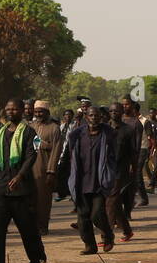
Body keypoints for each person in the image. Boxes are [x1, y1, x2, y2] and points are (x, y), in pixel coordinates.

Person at [0, 99, 47, 263]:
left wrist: (20, 176)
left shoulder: (30, 132)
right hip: (1, 190)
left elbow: (32, 156)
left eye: (15, 109)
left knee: (28, 230)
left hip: (22, 191)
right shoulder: (0, 132)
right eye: (8, 109)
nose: (11, 112)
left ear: (22, 111)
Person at [66, 104, 117, 254]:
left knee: (96, 214)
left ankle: (108, 235)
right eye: (91, 115)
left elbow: (114, 156)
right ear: (86, 117)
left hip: (99, 182)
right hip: (81, 182)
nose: (94, 118)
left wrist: (110, 175)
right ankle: (90, 245)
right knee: (82, 217)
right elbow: (70, 156)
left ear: (101, 117)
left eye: (96, 116)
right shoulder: (76, 135)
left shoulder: (108, 134)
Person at [30, 100, 62, 234]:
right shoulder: (30, 126)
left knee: (43, 200)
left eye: (41, 111)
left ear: (47, 112)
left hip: (44, 168)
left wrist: (51, 171)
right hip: (29, 168)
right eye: (36, 112)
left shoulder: (54, 128)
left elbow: (56, 150)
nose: (38, 114)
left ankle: (43, 226)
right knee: (30, 199)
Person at [106, 103, 137, 242]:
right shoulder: (103, 128)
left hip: (121, 170)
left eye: (116, 111)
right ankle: (127, 230)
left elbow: (133, 152)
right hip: (106, 169)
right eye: (111, 111)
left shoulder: (128, 130)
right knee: (115, 203)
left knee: (110, 201)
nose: (114, 113)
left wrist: (134, 168)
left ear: (122, 112)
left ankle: (107, 234)